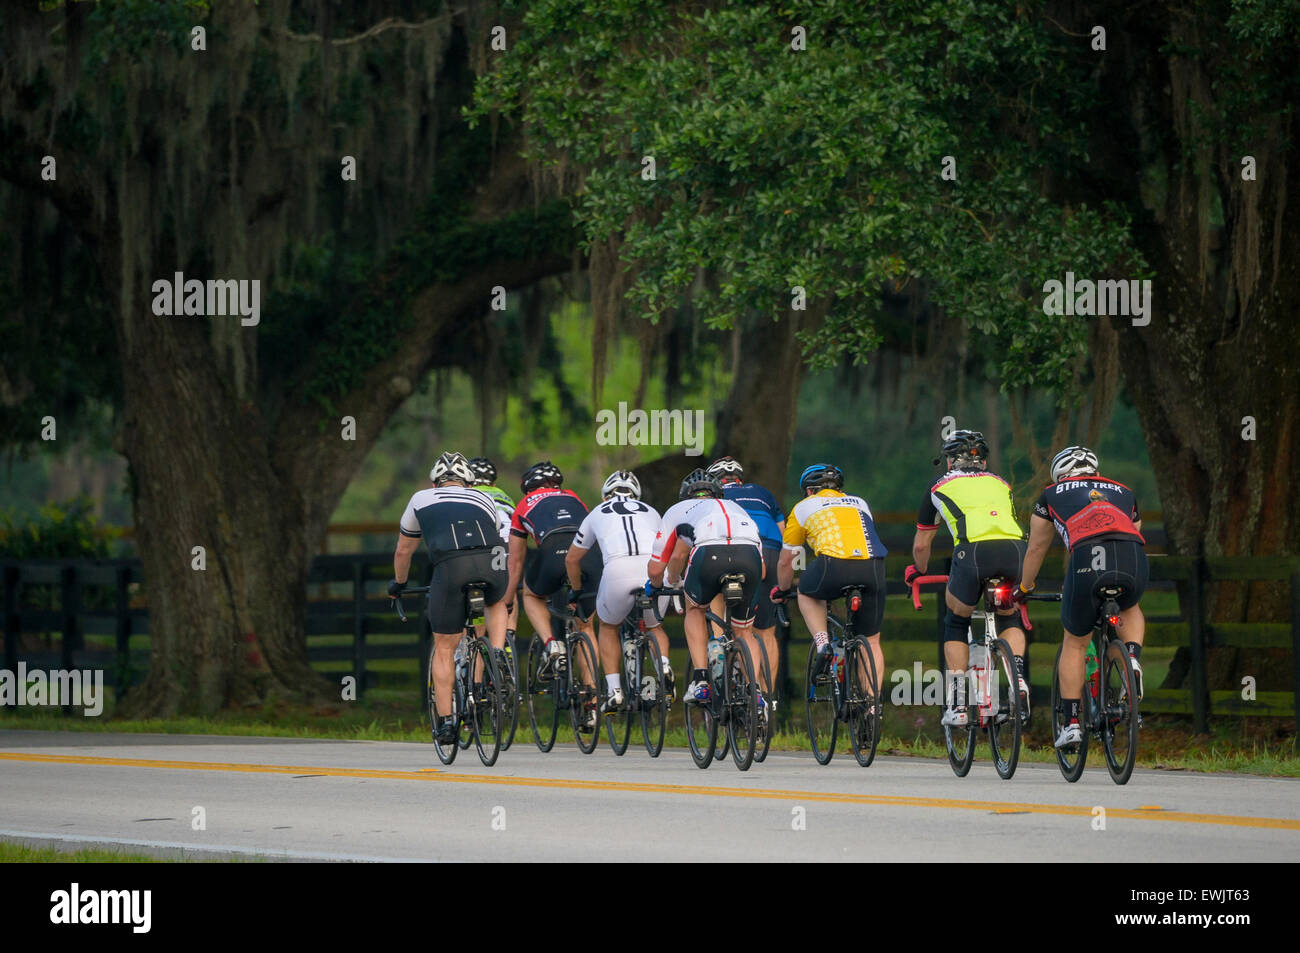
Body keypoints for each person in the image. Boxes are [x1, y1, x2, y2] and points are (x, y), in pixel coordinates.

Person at [1016, 446, 1148, 748]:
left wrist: (1024, 588)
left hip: (1088, 557)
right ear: (1096, 472)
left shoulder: (1051, 494)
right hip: (1133, 557)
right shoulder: (1124, 491)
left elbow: (1036, 548)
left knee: (1075, 643)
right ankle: (1131, 659)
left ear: (1060, 476)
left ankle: (1072, 723)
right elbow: (1135, 530)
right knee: (1129, 606)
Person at [906, 430, 1030, 727]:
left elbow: (923, 543)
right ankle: (1019, 678)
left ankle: (959, 704)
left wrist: (919, 572)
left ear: (949, 461)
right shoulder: (1001, 482)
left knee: (957, 621)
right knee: (1009, 617)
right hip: (1016, 550)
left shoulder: (938, 485)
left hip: (973, 552)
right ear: (983, 462)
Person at [389, 451, 509, 745]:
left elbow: (404, 550)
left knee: (444, 645)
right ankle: (494, 654)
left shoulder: (420, 499)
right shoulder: (484, 498)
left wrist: (399, 584)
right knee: (494, 603)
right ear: (469, 484)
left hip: (452, 566)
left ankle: (446, 724)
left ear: (435, 484)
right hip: (494, 564)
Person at [647, 469, 764, 706]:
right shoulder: (735, 508)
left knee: (695, 609)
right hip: (749, 557)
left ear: (685, 496)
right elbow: (762, 569)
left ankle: (700, 681)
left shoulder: (678, 511)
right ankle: (755, 691)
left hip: (709, 554)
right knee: (744, 631)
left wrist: (663, 585)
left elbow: (661, 566)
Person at [773, 464, 887, 701]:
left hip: (833, 565)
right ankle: (872, 706)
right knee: (872, 640)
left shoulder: (803, 507)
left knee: (806, 590)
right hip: (873, 566)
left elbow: (786, 562)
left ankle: (823, 643)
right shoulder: (860, 503)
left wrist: (783, 590)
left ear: (809, 491)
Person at [565, 469, 673, 713]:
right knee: (655, 626)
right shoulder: (651, 511)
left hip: (618, 569)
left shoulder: (596, 512)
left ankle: (614, 690)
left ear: (605, 495)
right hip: (652, 568)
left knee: (607, 626)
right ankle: (664, 665)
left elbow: (572, 560)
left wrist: (576, 591)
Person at [505, 460, 601, 729]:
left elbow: (515, 562)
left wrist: (508, 597)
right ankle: (591, 704)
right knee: (587, 628)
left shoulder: (524, 505)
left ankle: (551, 644)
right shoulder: (574, 498)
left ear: (528, 488)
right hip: (587, 555)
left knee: (532, 595)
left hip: (553, 549)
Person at [705, 456, 785, 707]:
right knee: (766, 632)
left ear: (715, 481)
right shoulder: (763, 493)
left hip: (735, 549)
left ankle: (719, 651)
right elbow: (782, 532)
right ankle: (765, 699)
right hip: (771, 552)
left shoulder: (712, 497)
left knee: (716, 591)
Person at [468, 456, 519, 640]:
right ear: (494, 481)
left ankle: (477, 643)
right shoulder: (505, 496)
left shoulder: (467, 494)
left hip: (480, 550)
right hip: (507, 549)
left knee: (477, 594)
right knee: (508, 590)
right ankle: (508, 638)